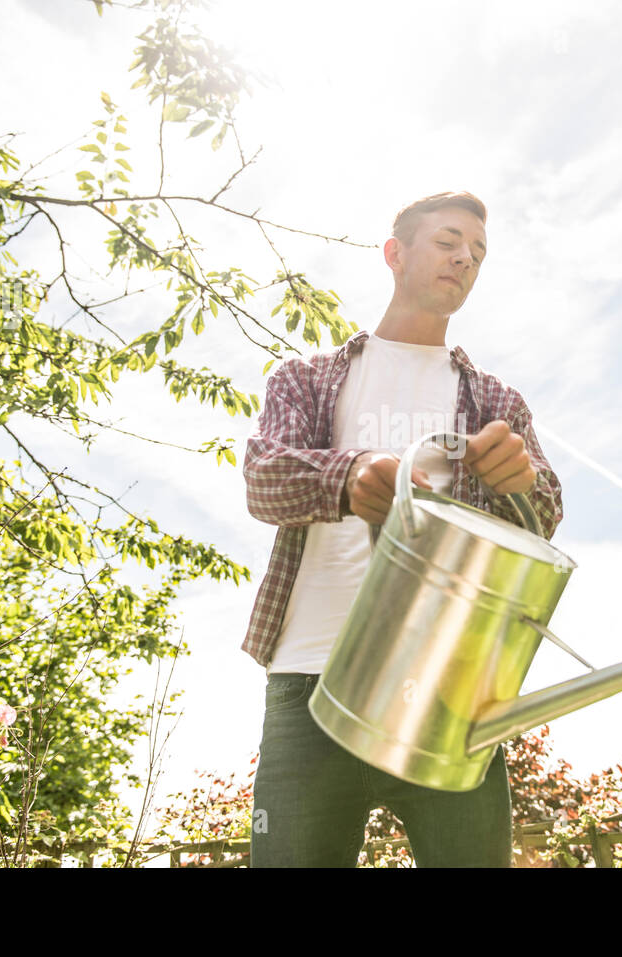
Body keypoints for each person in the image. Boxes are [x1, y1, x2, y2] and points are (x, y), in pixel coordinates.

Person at [241, 190, 563, 867]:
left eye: (478, 253)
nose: (465, 259)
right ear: (395, 253)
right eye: (448, 241)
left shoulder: (497, 401)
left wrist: (521, 482)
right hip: (310, 682)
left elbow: (547, 516)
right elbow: (263, 478)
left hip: (448, 689)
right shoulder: (306, 377)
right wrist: (349, 475)